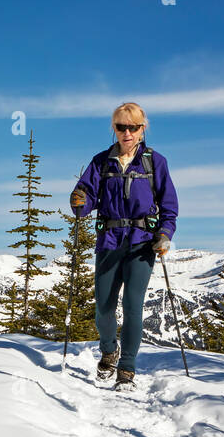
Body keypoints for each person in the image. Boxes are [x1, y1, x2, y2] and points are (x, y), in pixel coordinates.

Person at [69, 101, 178, 389]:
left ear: (143, 129)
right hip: (109, 241)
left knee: (132, 306)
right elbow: (86, 197)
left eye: (133, 127)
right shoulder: (100, 162)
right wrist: (80, 202)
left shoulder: (155, 162)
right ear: (114, 129)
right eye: (121, 126)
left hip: (143, 244)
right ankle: (109, 350)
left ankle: (127, 369)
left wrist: (165, 233)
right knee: (103, 308)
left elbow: (169, 206)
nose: (127, 132)